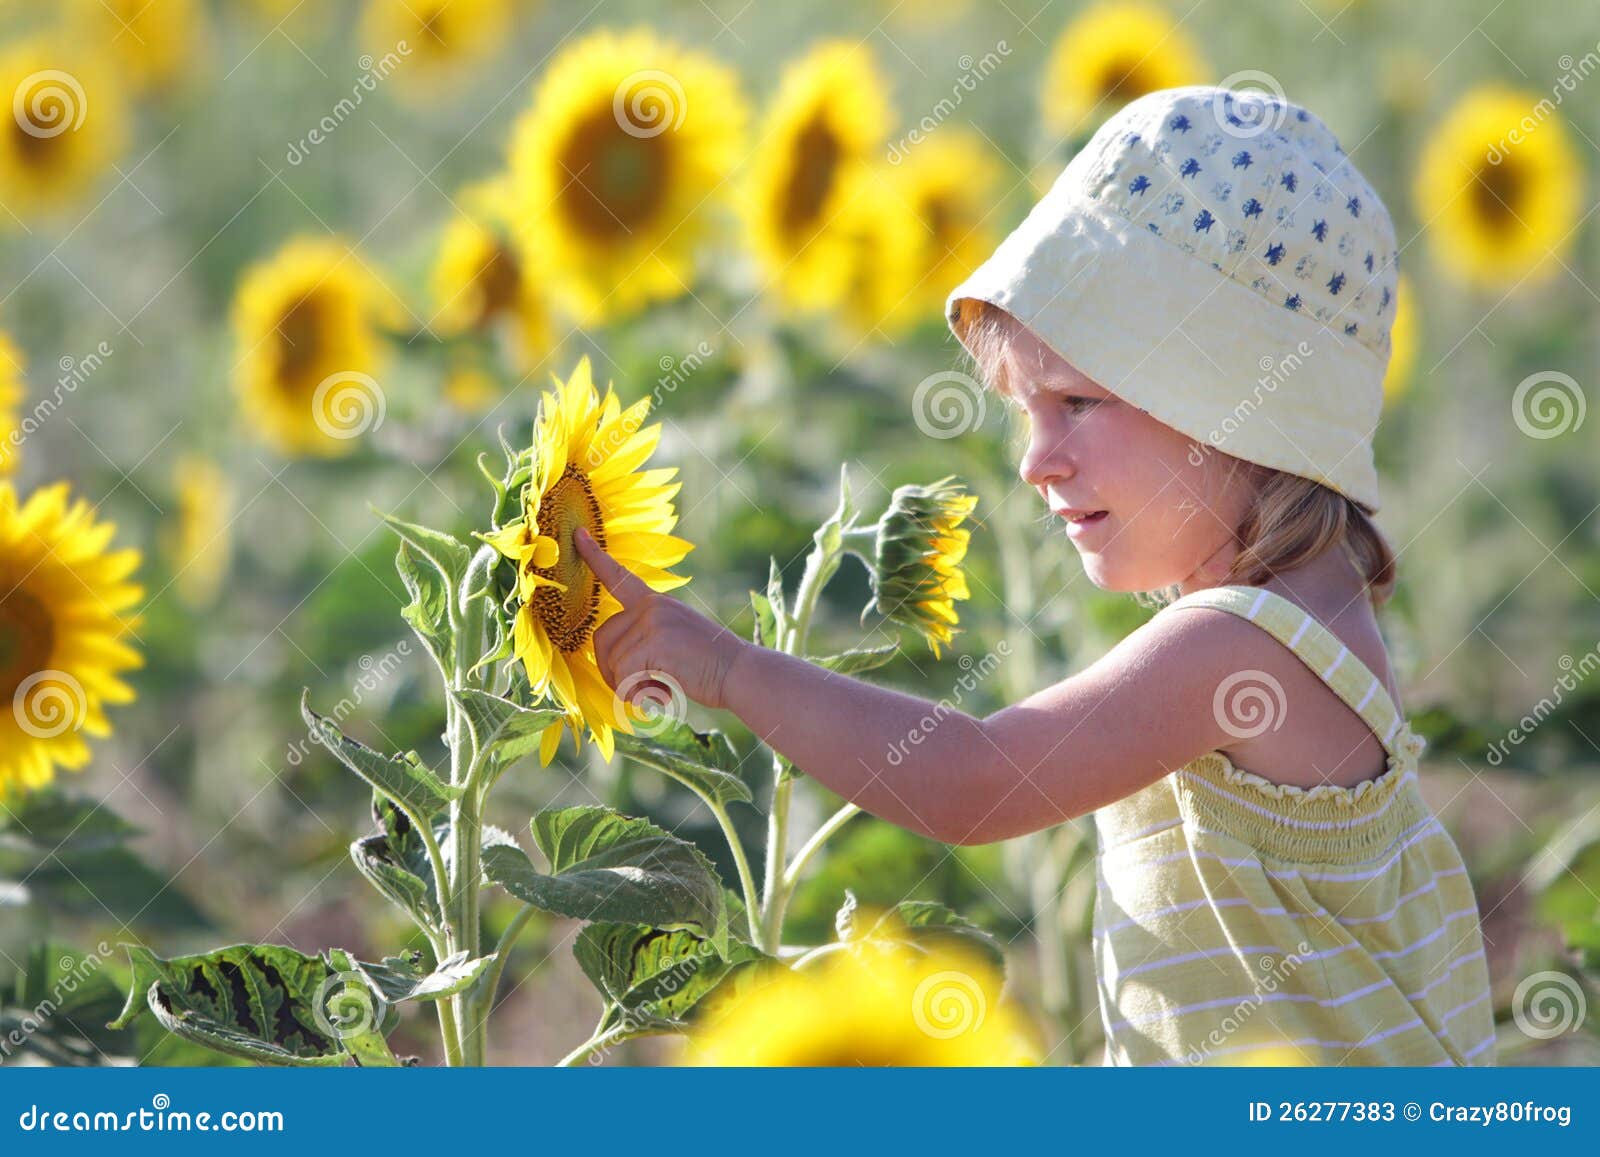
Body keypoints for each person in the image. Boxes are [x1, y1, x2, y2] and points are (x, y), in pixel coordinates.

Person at [572, 85, 1495, 1067]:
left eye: (1076, 402)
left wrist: (732, 669)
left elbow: (975, 780)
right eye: (1025, 412)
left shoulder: (1240, 648)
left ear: (1230, 404)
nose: (1036, 460)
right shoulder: (1314, 620)